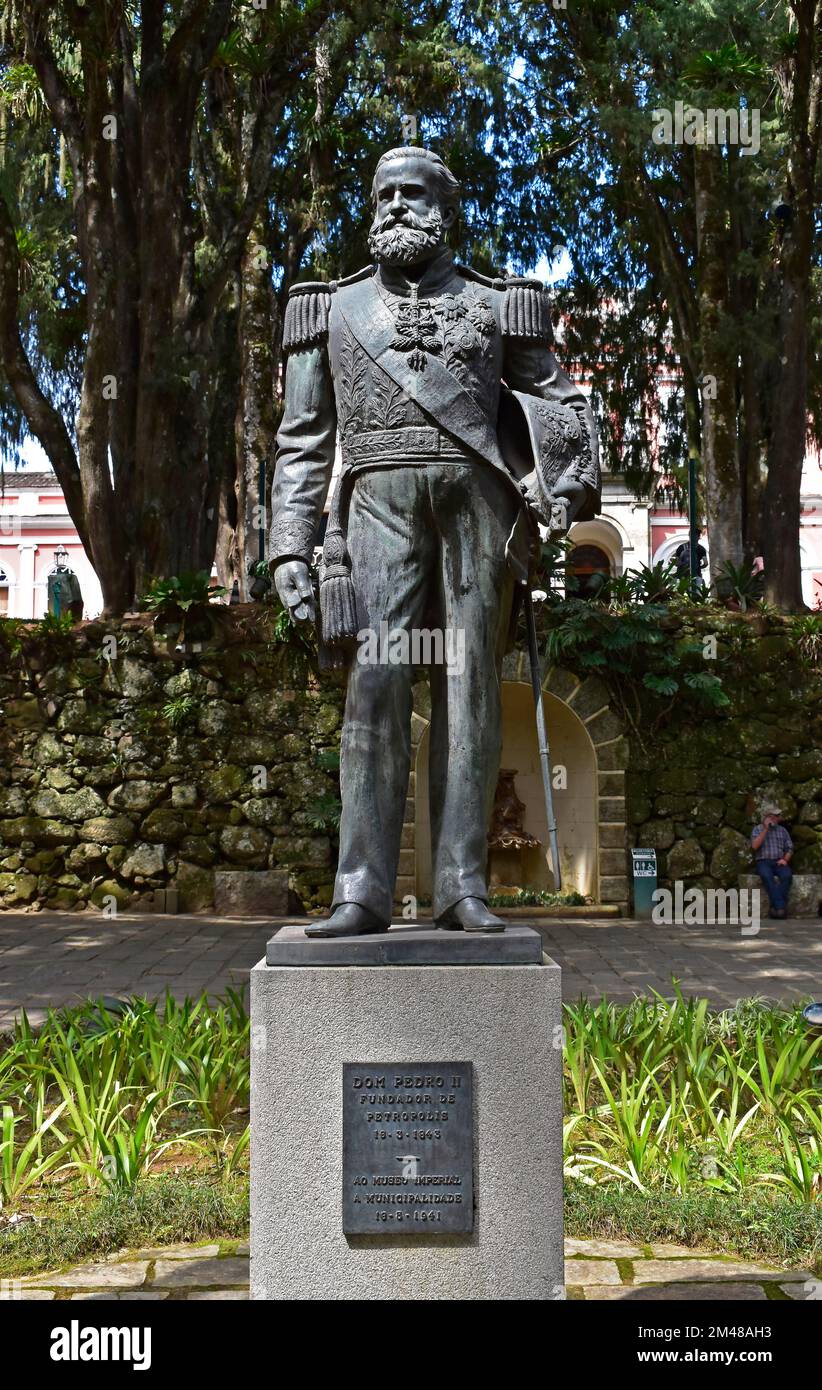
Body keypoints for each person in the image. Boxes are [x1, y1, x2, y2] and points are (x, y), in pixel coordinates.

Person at [270, 145, 599, 937]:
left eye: (412, 194)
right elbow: (303, 440)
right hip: (374, 512)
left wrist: (563, 482)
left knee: (470, 689)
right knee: (374, 688)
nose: (394, 206)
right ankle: (360, 890)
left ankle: (461, 885)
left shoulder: (500, 305)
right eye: (383, 194)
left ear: (447, 206)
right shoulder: (330, 309)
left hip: (476, 513)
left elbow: (562, 409)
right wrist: (288, 542)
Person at [751, 804, 794, 919]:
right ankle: (780, 908)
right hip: (763, 861)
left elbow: (790, 848)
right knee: (766, 876)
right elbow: (754, 846)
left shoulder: (783, 830)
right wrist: (766, 829)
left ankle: (777, 909)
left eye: (778, 815)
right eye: (774, 815)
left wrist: (785, 859)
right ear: (767, 817)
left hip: (779, 862)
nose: (777, 817)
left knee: (787, 876)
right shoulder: (758, 829)